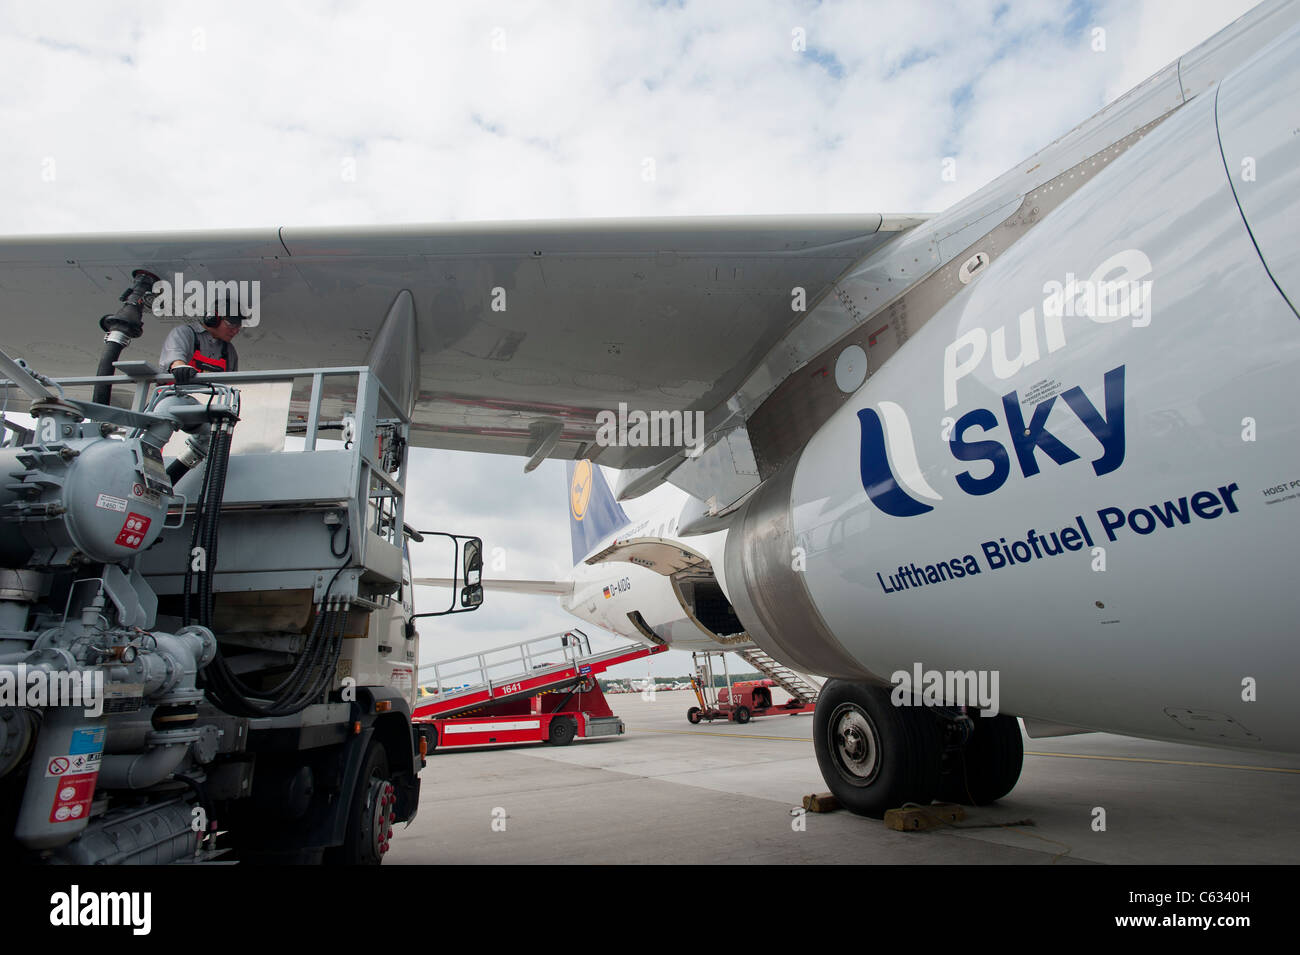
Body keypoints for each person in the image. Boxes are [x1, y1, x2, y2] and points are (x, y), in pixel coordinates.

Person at [158, 311, 241, 384]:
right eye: (231, 325)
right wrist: (180, 367)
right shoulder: (185, 333)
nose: (236, 331)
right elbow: (176, 363)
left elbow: (231, 384)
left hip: (210, 400)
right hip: (174, 396)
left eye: (238, 327)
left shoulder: (229, 351)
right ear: (213, 319)